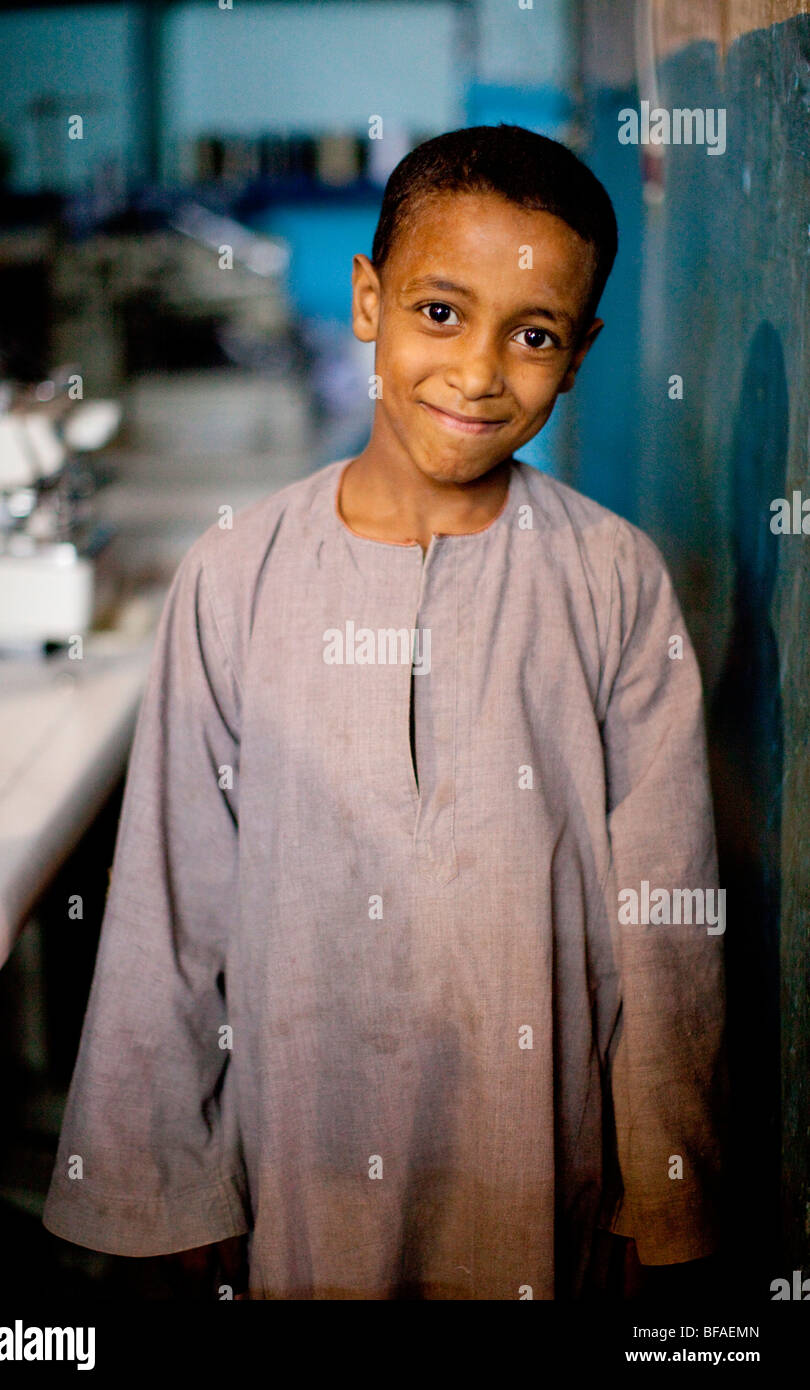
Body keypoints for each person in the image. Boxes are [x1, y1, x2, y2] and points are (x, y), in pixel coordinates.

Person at [42, 125, 726, 1300]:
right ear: (368, 301)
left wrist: (656, 1193)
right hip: (293, 1171)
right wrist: (163, 1184)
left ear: (579, 355)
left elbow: (661, 925)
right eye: (440, 313)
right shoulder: (235, 574)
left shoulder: (611, 580)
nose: (474, 375)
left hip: (538, 1173)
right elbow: (173, 898)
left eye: (533, 335)